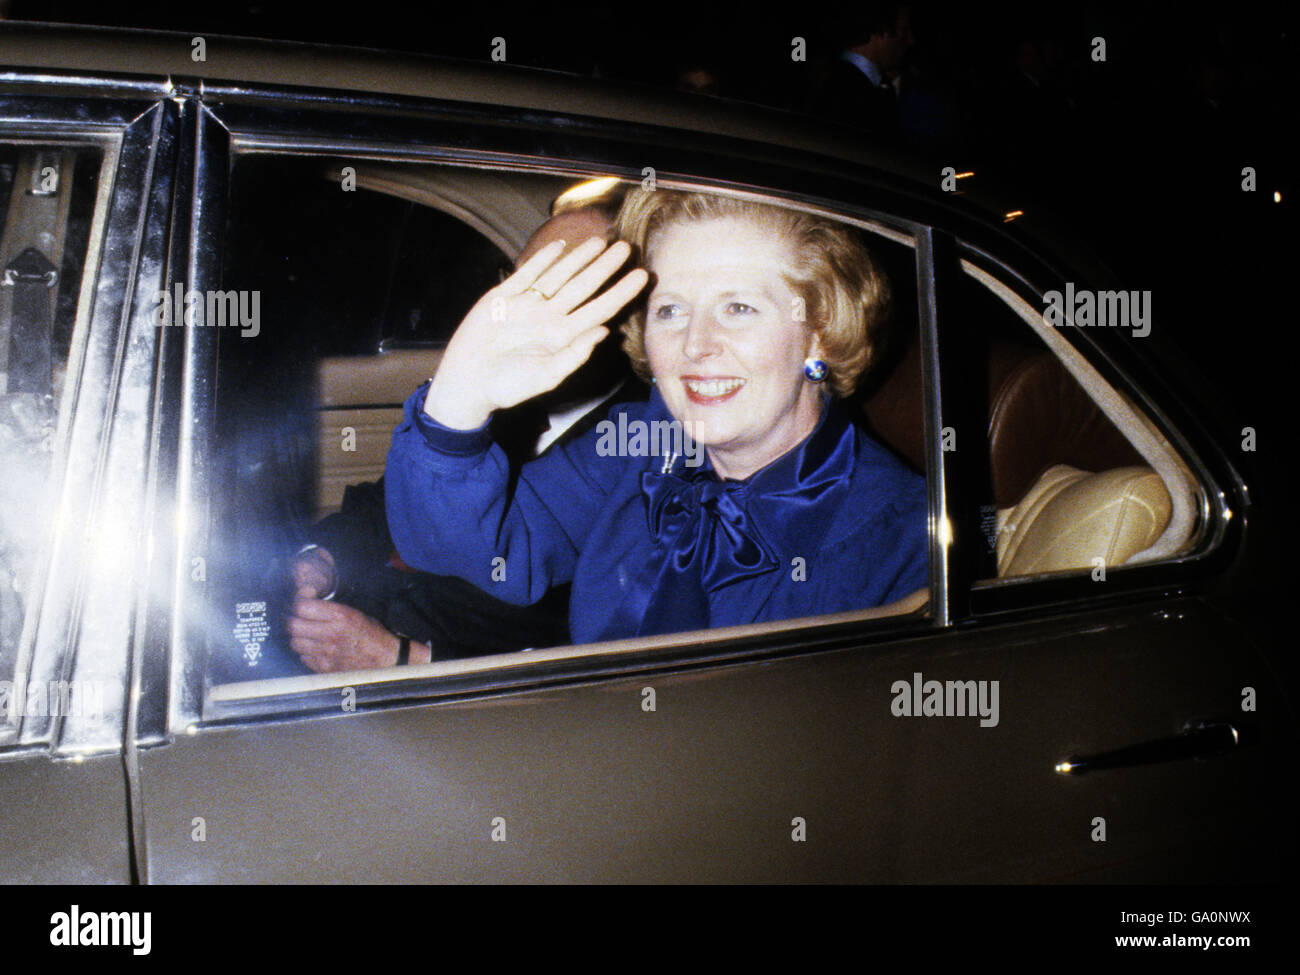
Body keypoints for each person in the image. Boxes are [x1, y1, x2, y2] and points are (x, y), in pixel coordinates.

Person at [385, 189, 929, 644]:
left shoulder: (902, 541)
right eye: (670, 310)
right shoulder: (643, 442)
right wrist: (457, 403)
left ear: (820, 332)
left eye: (738, 307)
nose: (696, 344)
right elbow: (454, 547)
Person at [286, 203, 635, 672]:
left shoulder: (642, 445)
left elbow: (593, 654)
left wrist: (401, 659)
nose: (518, 309)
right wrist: (324, 560)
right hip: (361, 621)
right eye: (514, 282)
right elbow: (392, 500)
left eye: (555, 290)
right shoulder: (508, 396)